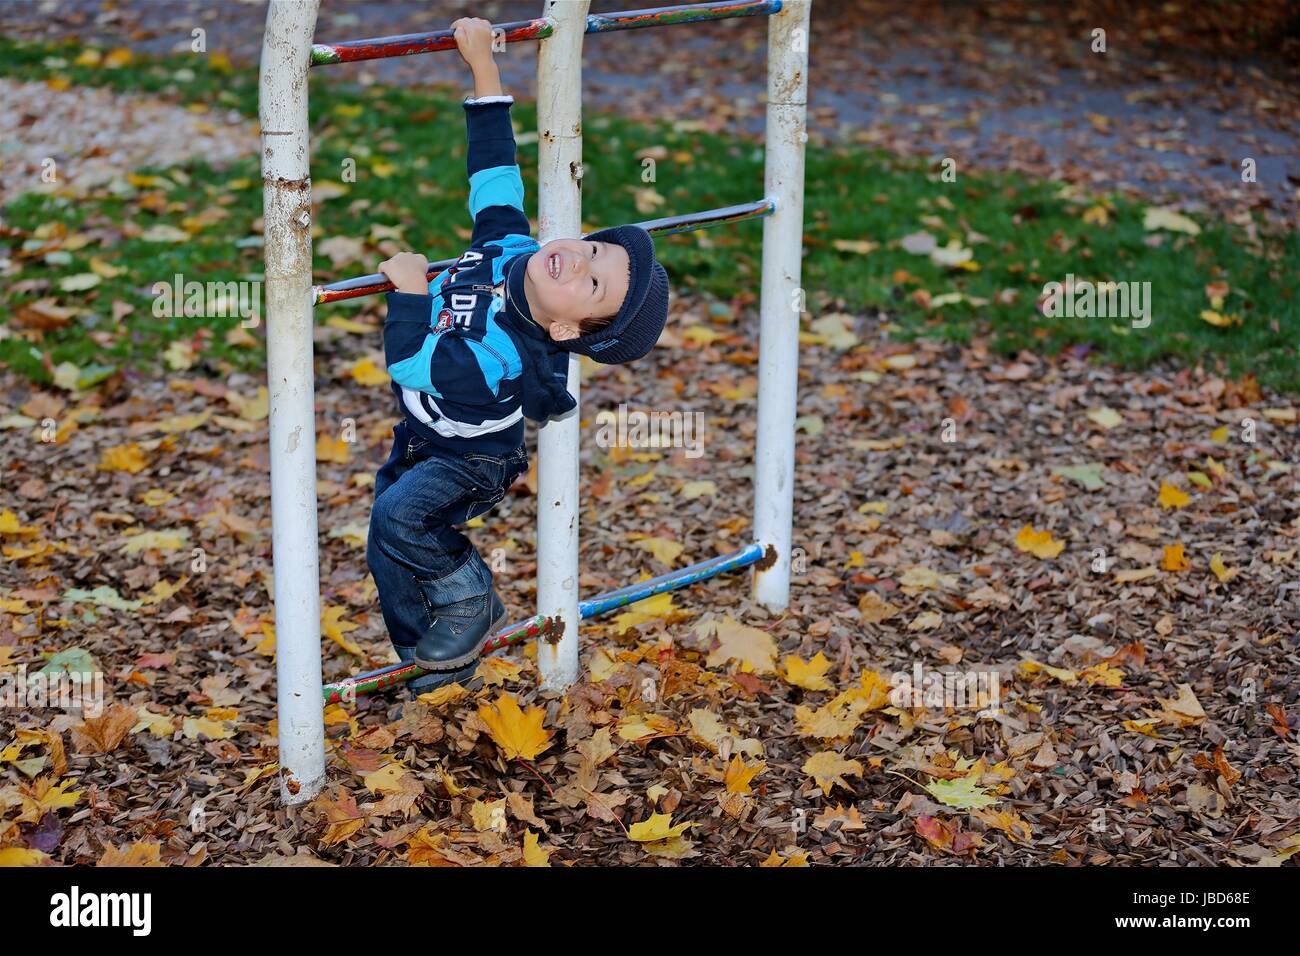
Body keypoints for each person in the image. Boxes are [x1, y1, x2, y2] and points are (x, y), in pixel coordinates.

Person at [368, 17, 670, 693]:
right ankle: (433, 669)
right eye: (594, 250)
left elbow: (412, 365)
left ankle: (472, 596)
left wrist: (411, 293)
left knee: (400, 520)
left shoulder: (500, 354)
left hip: (471, 460)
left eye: (592, 285)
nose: (579, 260)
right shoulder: (508, 246)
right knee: (388, 551)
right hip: (423, 437)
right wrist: (483, 66)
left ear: (565, 329)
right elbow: (494, 172)